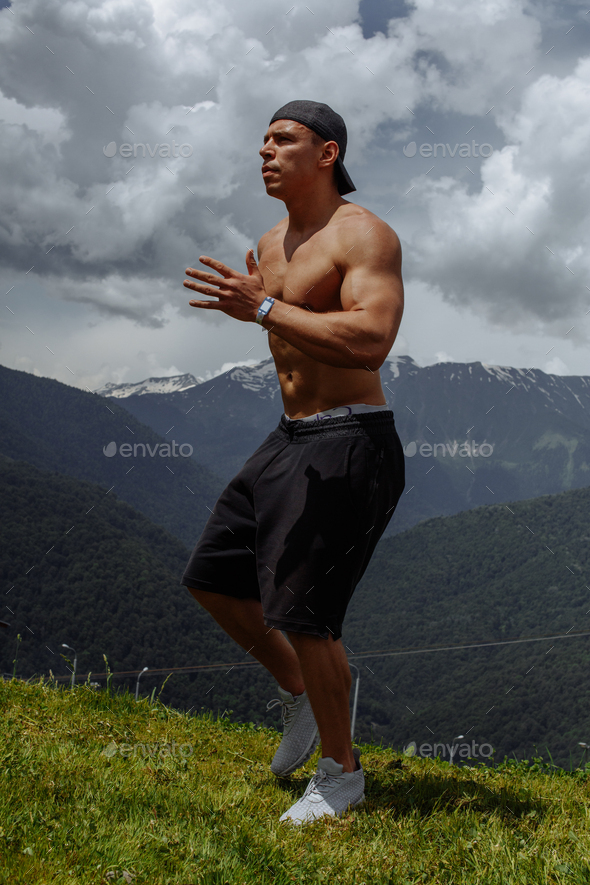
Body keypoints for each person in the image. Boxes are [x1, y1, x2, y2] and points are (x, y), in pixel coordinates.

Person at [181, 100, 405, 825]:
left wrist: (265, 311)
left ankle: (341, 775)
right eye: (264, 141)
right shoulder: (271, 242)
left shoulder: (363, 234)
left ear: (328, 153)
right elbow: (285, 333)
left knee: (309, 614)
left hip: (351, 440)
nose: (265, 152)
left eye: (285, 140)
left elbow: (371, 339)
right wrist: (255, 307)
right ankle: (299, 693)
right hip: (290, 435)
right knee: (214, 574)